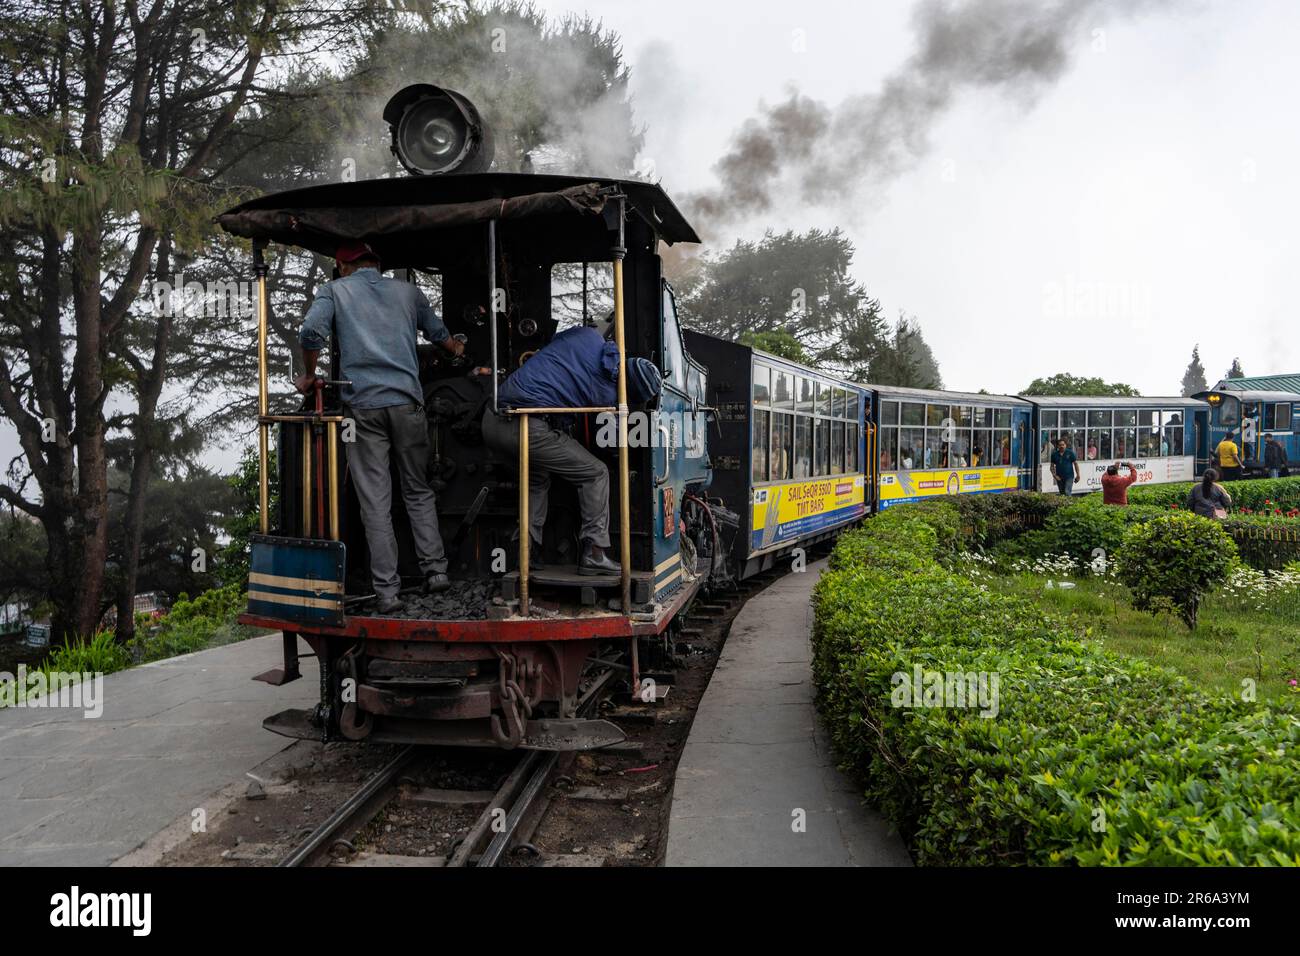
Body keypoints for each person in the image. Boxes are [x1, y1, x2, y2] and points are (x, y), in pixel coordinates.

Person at [297, 242, 464, 614]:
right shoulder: (408, 292)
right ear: (377, 264)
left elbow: (310, 333)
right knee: (418, 490)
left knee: (375, 502)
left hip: (363, 408)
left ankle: (387, 593)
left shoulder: (335, 291)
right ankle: (436, 572)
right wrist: (457, 349)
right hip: (408, 405)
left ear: (343, 265)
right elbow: (440, 335)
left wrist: (309, 376)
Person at [480, 321, 663, 576]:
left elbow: (556, 343)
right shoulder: (605, 395)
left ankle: (524, 552)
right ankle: (595, 552)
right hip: (526, 425)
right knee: (596, 473)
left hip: (492, 420)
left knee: (536, 479)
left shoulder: (589, 336)